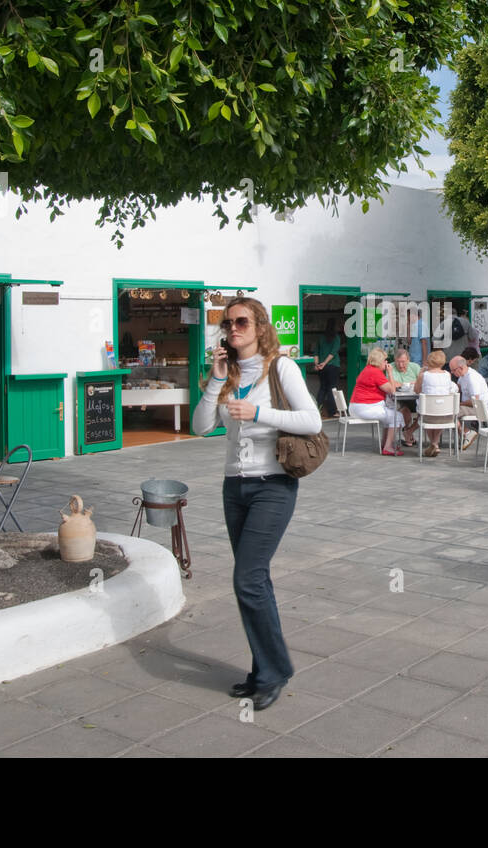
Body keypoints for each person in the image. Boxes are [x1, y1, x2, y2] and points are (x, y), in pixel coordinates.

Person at [193, 297, 322, 712]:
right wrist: (215, 380)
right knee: (255, 580)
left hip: (273, 485)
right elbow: (200, 427)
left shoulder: (281, 368)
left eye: (242, 321)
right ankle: (263, 669)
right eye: (227, 323)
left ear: (260, 326)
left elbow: (312, 421)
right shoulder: (227, 374)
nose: (233, 328)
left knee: (246, 579)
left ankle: (273, 671)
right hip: (235, 487)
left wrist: (258, 412)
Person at [350, 347, 406, 455]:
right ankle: (388, 447)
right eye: (385, 360)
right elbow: (392, 390)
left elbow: (386, 386)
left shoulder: (367, 370)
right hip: (366, 408)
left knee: (389, 415)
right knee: (397, 416)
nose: (386, 363)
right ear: (379, 361)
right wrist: (390, 373)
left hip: (356, 407)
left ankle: (384, 443)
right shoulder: (376, 372)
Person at [413, 349, 456, 457]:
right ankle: (435, 444)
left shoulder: (424, 375)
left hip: (427, 416)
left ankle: (433, 444)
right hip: (446, 416)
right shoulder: (447, 375)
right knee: (439, 411)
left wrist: (420, 374)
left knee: (425, 412)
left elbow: (417, 391)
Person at [449, 354, 488, 450]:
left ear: (461, 367)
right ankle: (465, 434)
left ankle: (466, 433)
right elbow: (457, 388)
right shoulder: (463, 376)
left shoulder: (472, 378)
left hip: (479, 408)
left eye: (453, 370)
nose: (452, 372)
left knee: (449, 412)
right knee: (448, 409)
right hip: (472, 406)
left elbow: (475, 401)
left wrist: (459, 404)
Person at [387, 347, 421, 446]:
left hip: (416, 399)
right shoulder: (391, 367)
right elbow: (392, 383)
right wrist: (411, 383)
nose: (401, 365)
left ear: (408, 360)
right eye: (398, 362)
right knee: (404, 411)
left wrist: (402, 383)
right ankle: (407, 432)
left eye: (403, 362)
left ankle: (409, 432)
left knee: (425, 412)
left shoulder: (415, 367)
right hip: (400, 399)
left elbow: (421, 381)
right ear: (394, 361)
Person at [312, 319, 341, 419]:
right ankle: (332, 412)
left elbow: (316, 352)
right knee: (332, 389)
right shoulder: (336, 338)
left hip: (321, 367)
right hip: (333, 366)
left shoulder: (321, 337)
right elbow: (333, 353)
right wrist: (325, 363)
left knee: (322, 388)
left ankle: (317, 409)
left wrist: (317, 364)